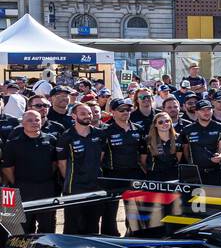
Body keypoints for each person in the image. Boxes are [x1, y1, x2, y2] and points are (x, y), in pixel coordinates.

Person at [2, 109, 60, 233]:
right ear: (22, 123)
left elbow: (55, 164)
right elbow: (7, 168)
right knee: (23, 227)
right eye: (30, 120)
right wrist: (17, 183)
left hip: (46, 188)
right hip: (22, 189)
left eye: (37, 120)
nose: (34, 123)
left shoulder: (51, 140)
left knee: (47, 225)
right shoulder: (13, 143)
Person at [56, 102, 104, 235]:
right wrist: (73, 180)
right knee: (73, 225)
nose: (88, 116)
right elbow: (62, 164)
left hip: (95, 187)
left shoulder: (99, 134)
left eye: (89, 113)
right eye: (83, 113)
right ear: (73, 115)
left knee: (93, 224)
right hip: (74, 188)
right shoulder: (66, 137)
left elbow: (100, 157)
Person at [99, 98, 145, 235]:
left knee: (135, 210)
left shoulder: (138, 128)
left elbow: (143, 153)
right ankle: (110, 237)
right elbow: (100, 157)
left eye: (128, 109)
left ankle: (134, 237)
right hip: (113, 175)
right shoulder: (106, 131)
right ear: (112, 112)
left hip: (134, 174)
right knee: (110, 212)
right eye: (121, 110)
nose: (126, 112)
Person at [182, 99, 221, 185]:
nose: (206, 112)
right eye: (203, 110)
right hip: (195, 173)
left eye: (208, 109)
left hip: (215, 172)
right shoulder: (187, 129)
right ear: (196, 112)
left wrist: (220, 156)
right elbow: (185, 149)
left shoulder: (220, 127)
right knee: (195, 198)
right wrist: (190, 164)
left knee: (215, 198)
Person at [145, 113, 182, 181]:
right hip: (155, 177)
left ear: (171, 123)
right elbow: (143, 160)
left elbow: (179, 158)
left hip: (174, 176)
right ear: (155, 124)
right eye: (160, 122)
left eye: (167, 121)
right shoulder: (148, 140)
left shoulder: (179, 137)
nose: (164, 124)